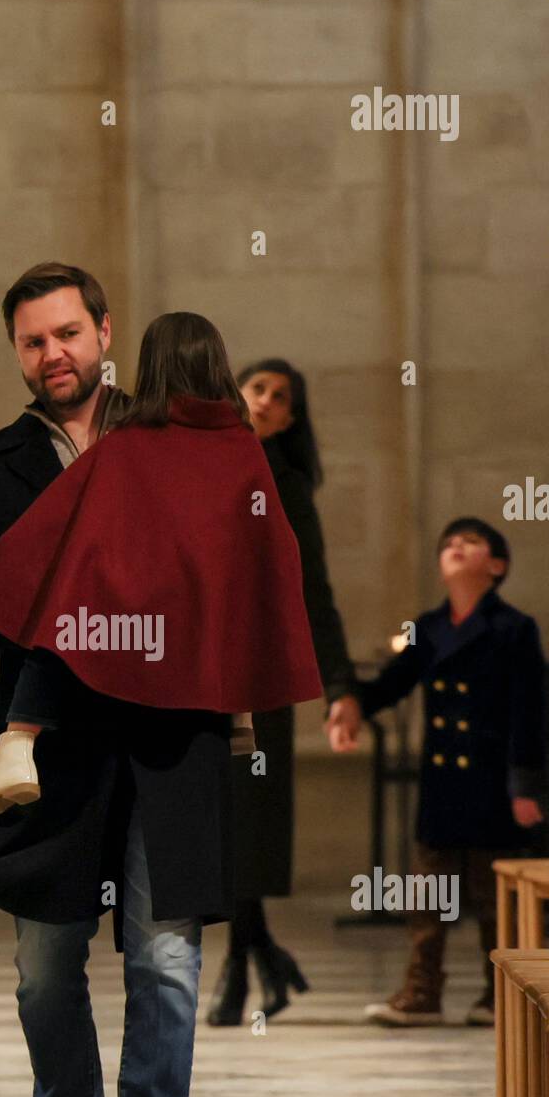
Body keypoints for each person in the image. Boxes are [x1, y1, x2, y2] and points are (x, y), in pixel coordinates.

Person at [0, 264, 321, 1097]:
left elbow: (255, 562)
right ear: (16, 353)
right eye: (31, 341)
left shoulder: (188, 442)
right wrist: (76, 563)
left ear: (105, 333)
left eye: (67, 332)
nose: (52, 353)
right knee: (44, 971)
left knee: (167, 963)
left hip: (174, 737)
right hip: (54, 743)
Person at [0, 333, 321, 817]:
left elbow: (62, 522)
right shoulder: (239, 444)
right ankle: (238, 711)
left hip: (129, 618)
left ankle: (18, 740)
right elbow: (267, 546)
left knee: (64, 612)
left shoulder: (130, 440)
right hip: (199, 629)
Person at [207, 358, 361, 1026]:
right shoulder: (200, 468)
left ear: (292, 418)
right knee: (224, 823)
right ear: (236, 394)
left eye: (281, 398)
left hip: (263, 675)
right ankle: (264, 956)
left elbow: (313, 592)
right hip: (202, 672)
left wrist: (341, 688)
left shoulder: (289, 485)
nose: (266, 401)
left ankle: (239, 970)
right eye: (258, 388)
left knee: (250, 821)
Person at [347, 520, 546, 1026]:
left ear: (496, 566)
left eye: (470, 542)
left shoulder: (515, 628)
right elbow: (391, 685)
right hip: (441, 785)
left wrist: (524, 785)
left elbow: (529, 712)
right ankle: (422, 992)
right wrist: (346, 700)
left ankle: (500, 996)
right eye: (448, 543)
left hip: (492, 783)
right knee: (427, 894)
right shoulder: (428, 628)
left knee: (493, 900)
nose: (455, 547)